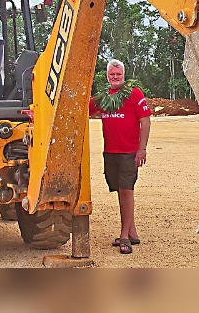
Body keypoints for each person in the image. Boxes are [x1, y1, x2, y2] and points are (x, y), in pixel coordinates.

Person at [89, 59, 151, 255]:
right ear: (107, 76)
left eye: (118, 74)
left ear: (124, 75)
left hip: (128, 152)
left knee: (127, 191)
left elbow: (146, 121)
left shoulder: (134, 94)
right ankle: (132, 232)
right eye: (112, 74)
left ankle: (124, 237)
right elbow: (82, 107)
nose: (115, 77)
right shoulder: (103, 97)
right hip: (110, 152)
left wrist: (142, 149)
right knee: (120, 191)